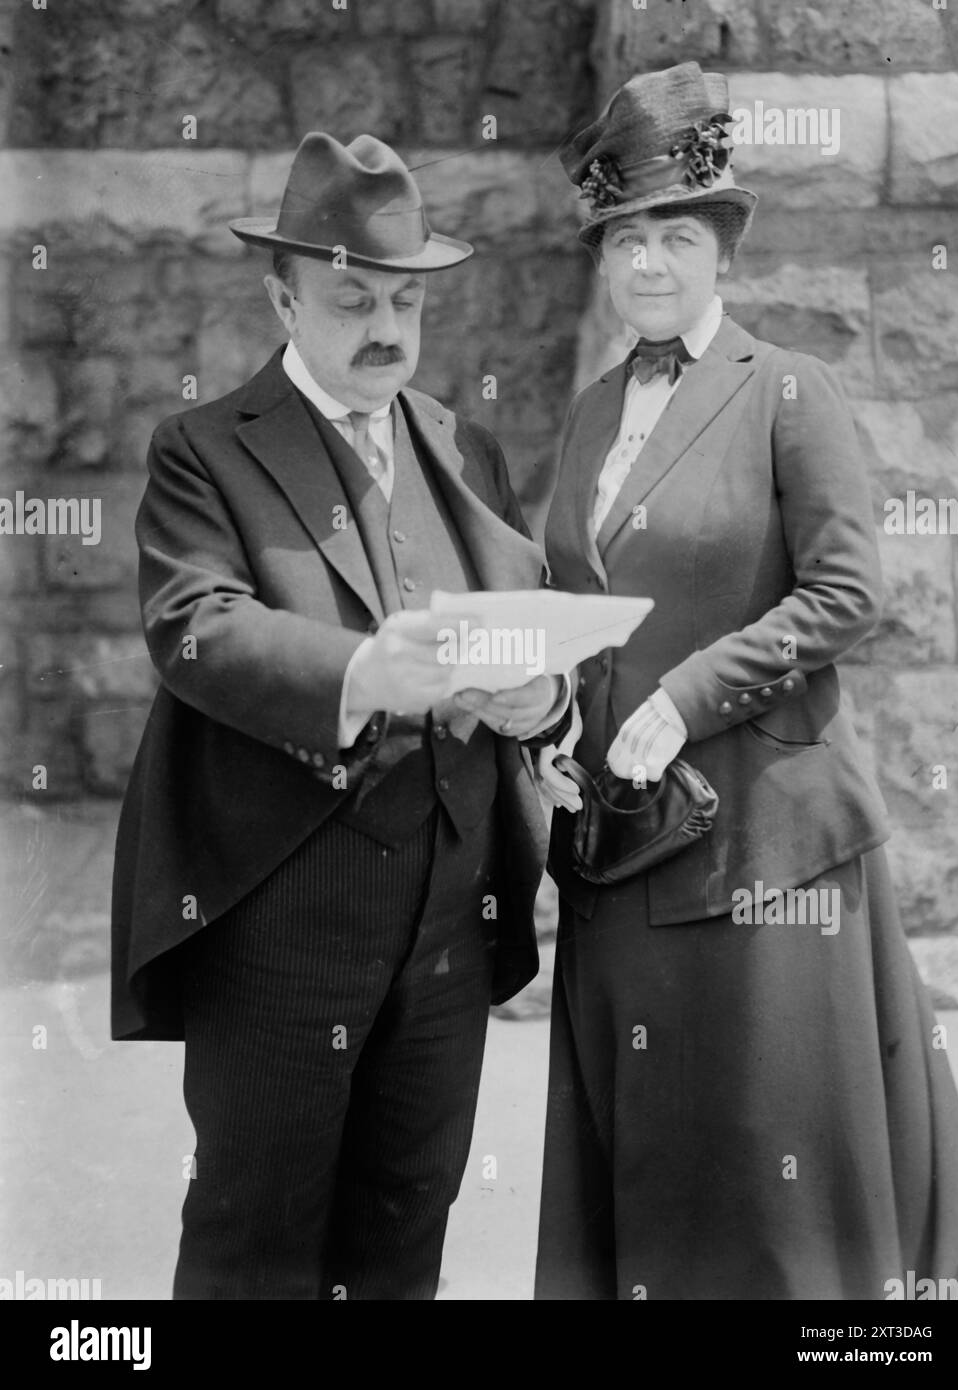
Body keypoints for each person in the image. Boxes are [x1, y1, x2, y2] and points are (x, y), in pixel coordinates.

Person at [535, 62, 958, 1300]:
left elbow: (846, 592)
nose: (649, 267)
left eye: (675, 236)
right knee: (655, 1141)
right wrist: (554, 721)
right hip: (624, 843)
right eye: (627, 240)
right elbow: (578, 605)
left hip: (765, 845)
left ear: (718, 248)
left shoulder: (789, 388)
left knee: (766, 1143)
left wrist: (686, 692)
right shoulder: (585, 418)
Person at [110, 131, 571, 1300]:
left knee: (404, 1225)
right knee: (255, 1235)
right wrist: (366, 670)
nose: (385, 327)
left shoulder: (462, 444)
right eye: (351, 297)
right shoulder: (205, 449)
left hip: (449, 915)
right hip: (282, 916)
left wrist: (542, 694)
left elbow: (531, 613)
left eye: (404, 301)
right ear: (283, 296)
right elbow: (196, 626)